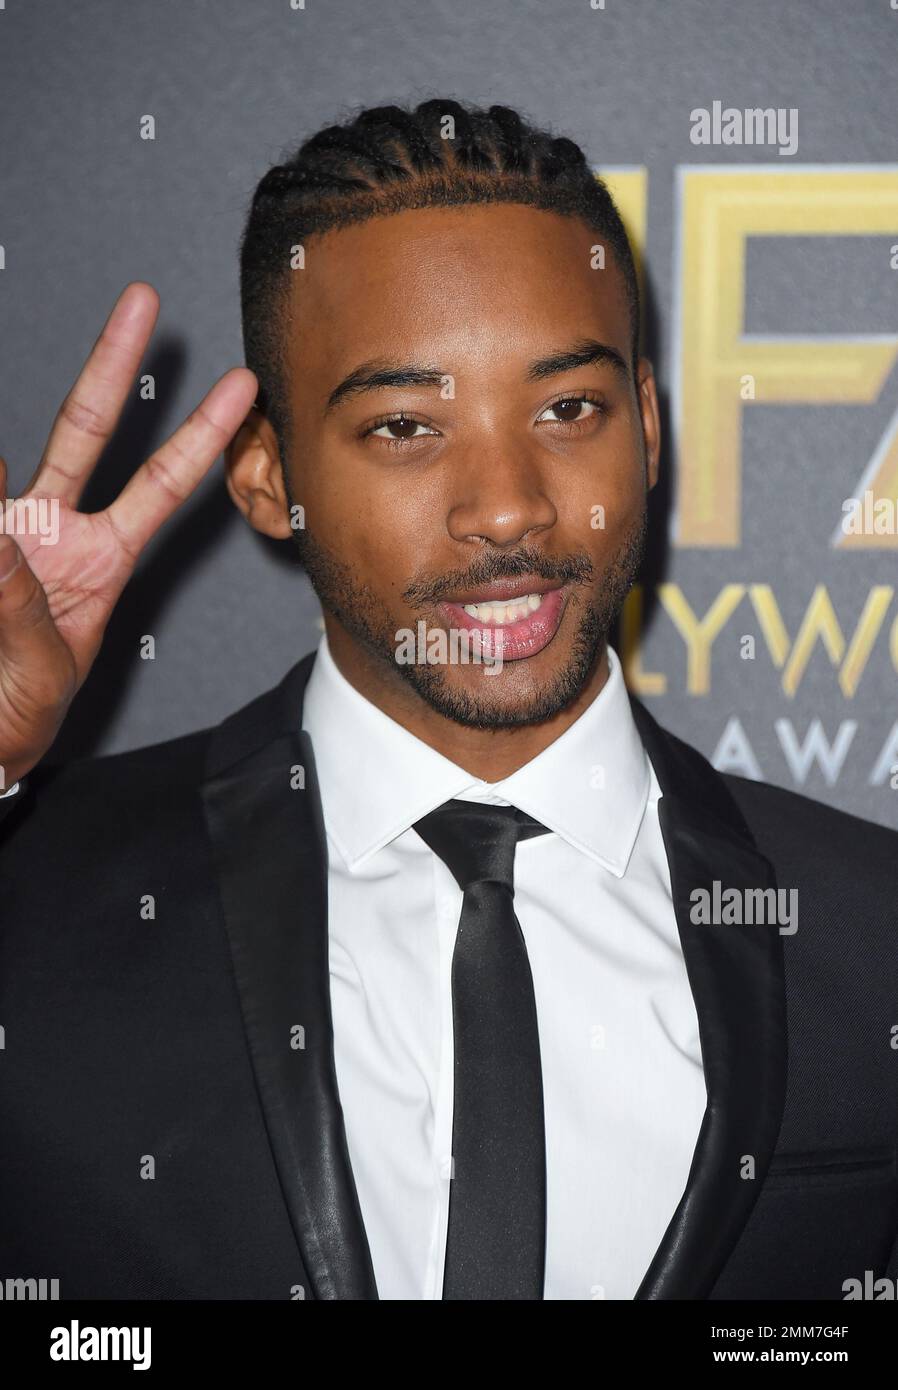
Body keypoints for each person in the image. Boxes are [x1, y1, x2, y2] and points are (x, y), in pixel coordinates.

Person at [0, 99, 895, 1302]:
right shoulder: (38, 890)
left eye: (567, 408)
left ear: (647, 425)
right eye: (405, 425)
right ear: (268, 475)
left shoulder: (868, 930)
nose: (509, 505)